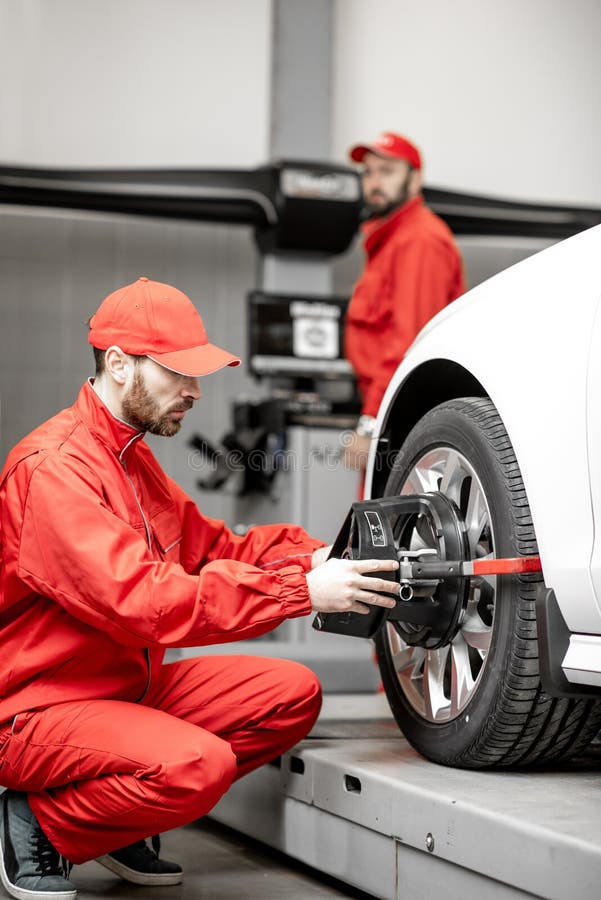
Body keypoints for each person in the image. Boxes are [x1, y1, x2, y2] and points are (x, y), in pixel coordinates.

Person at [0, 277, 400, 900]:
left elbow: (211, 547)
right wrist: (302, 591)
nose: (194, 391)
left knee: (291, 695)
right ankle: (40, 822)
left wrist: (317, 553)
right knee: (200, 766)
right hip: (39, 709)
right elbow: (147, 601)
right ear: (118, 364)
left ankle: (118, 818)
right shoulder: (54, 470)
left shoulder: (132, 458)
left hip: (128, 689)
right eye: (178, 373)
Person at [344, 131, 466, 468]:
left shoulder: (419, 241)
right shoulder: (390, 241)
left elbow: (406, 344)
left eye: (387, 171)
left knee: (392, 516)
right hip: (394, 411)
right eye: (368, 172)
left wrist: (371, 425)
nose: (374, 182)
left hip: (404, 414)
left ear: (415, 180)